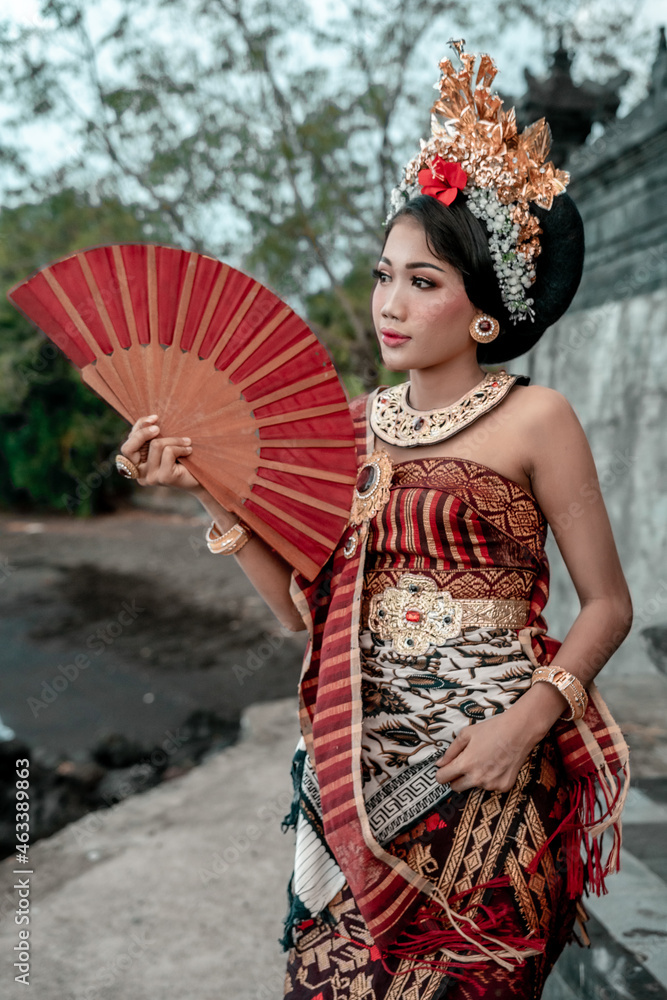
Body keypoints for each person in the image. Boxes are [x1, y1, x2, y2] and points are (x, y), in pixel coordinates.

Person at [118, 42, 631, 1000]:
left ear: (485, 310)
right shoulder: (351, 427)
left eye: (422, 283)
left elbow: (607, 606)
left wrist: (526, 725)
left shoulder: (537, 419)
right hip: (357, 775)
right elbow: (304, 613)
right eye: (383, 274)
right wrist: (208, 496)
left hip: (489, 785)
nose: (389, 304)